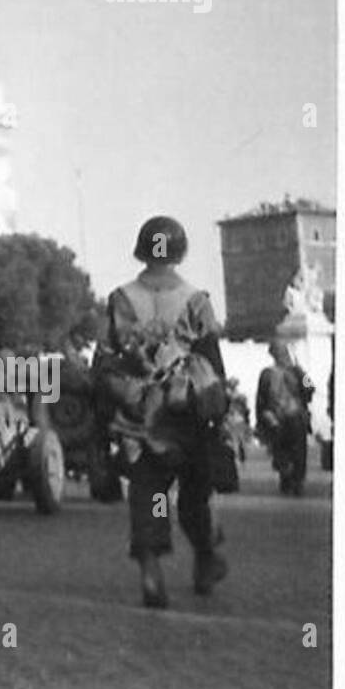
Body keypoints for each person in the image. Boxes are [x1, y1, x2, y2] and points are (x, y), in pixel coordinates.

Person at [100, 216, 230, 610]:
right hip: (186, 413)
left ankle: (151, 574)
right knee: (195, 495)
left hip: (140, 416)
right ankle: (205, 556)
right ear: (180, 251)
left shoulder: (121, 298)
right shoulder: (197, 299)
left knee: (149, 495)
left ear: (143, 249)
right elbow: (212, 362)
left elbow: (104, 360)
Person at [256, 340, 312, 496]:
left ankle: (286, 476)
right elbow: (310, 388)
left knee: (281, 450)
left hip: (276, 418)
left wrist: (262, 420)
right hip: (296, 415)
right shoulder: (298, 371)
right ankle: (297, 480)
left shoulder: (266, 374)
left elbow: (261, 400)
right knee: (298, 451)